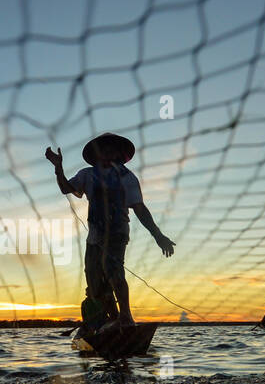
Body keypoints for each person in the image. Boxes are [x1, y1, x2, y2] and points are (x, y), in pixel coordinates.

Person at [46, 133, 174, 330]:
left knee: (112, 268)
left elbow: (139, 208)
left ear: (118, 154)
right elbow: (66, 188)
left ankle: (126, 317)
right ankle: (112, 319)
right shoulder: (87, 174)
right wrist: (58, 168)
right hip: (95, 236)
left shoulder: (127, 177)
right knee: (94, 283)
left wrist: (158, 235)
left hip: (117, 231)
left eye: (111, 150)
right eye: (103, 150)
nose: (107, 153)